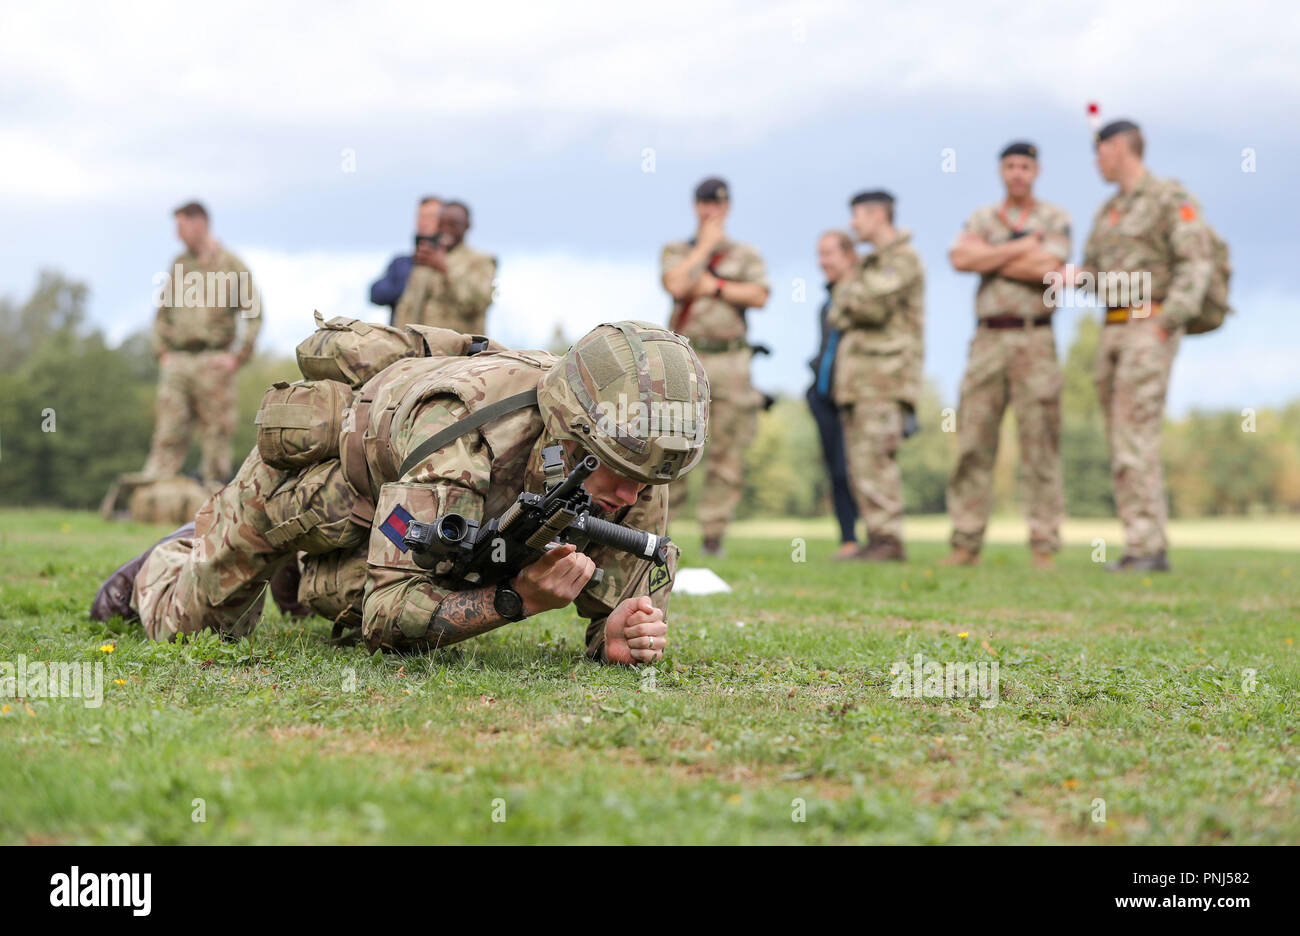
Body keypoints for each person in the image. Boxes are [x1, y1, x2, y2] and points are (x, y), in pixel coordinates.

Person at [90, 322, 709, 666]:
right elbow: (389, 615)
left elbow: (619, 608)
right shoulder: (464, 436)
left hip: (419, 511)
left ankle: (308, 577)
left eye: (648, 479)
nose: (630, 495)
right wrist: (517, 599)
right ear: (569, 434)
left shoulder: (630, 456)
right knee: (194, 633)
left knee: (423, 572)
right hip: (321, 482)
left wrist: (619, 636)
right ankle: (172, 559)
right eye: (615, 472)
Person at [1080, 119, 1215, 572]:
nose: (1096, 159)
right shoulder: (1108, 211)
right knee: (1121, 437)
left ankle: (1147, 547)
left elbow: (1195, 262)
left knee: (1136, 434)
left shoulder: (1168, 197)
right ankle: (1140, 543)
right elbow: (1095, 274)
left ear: (1120, 148)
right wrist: (1076, 279)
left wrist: (1167, 323)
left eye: (1100, 150)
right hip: (1112, 327)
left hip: (1147, 325)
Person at [942, 142, 1070, 569]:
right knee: (973, 442)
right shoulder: (982, 217)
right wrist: (1020, 247)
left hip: (1035, 338)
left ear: (1037, 170)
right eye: (1011, 166)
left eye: (1025, 166)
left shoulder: (1055, 218)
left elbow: (1049, 270)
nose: (1018, 173)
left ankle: (1043, 544)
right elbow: (958, 257)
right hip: (987, 340)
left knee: (1040, 444)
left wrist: (990, 258)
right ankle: (965, 542)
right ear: (1001, 171)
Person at [660, 177, 770, 557]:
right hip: (686, 358)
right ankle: (661, 532)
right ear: (696, 206)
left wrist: (714, 286)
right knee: (672, 443)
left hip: (731, 361)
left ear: (728, 208)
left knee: (726, 452)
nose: (711, 210)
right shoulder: (678, 249)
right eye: (705, 203)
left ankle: (714, 536)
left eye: (718, 204)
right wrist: (704, 249)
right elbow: (675, 284)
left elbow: (759, 294)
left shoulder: (746, 254)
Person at [828, 191, 925, 561]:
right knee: (861, 463)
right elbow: (838, 311)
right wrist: (851, 296)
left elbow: (869, 305)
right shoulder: (871, 265)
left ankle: (889, 539)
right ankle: (878, 537)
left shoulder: (903, 259)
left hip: (885, 378)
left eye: (858, 216)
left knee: (876, 461)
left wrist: (851, 295)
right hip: (861, 380)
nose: (853, 225)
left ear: (878, 215)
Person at [143, 201, 261, 487]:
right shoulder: (180, 265)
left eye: (180, 226)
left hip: (215, 361)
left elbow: (254, 312)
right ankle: (155, 493)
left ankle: (214, 493)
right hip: (178, 361)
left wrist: (237, 357)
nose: (177, 235)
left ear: (199, 224)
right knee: (168, 429)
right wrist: (163, 353)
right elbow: (162, 313)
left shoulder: (232, 265)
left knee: (216, 432)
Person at [808, 230, 860, 559]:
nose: (822, 261)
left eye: (829, 254)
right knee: (836, 469)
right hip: (824, 396)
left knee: (853, 468)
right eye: (820, 254)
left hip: (855, 397)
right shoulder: (826, 301)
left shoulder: (860, 297)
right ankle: (849, 539)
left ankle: (880, 538)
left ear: (849, 256)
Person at [392, 201, 496, 335]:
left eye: (453, 224)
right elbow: (408, 307)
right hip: (421, 350)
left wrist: (446, 268)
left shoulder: (481, 261)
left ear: (466, 226)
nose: (446, 230)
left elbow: (477, 303)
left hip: (461, 352)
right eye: (442, 224)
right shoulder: (427, 259)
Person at [370, 196, 441, 323]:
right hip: (404, 338)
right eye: (420, 216)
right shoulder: (402, 263)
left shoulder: (453, 264)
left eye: (431, 217)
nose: (424, 222)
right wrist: (407, 284)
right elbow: (376, 294)